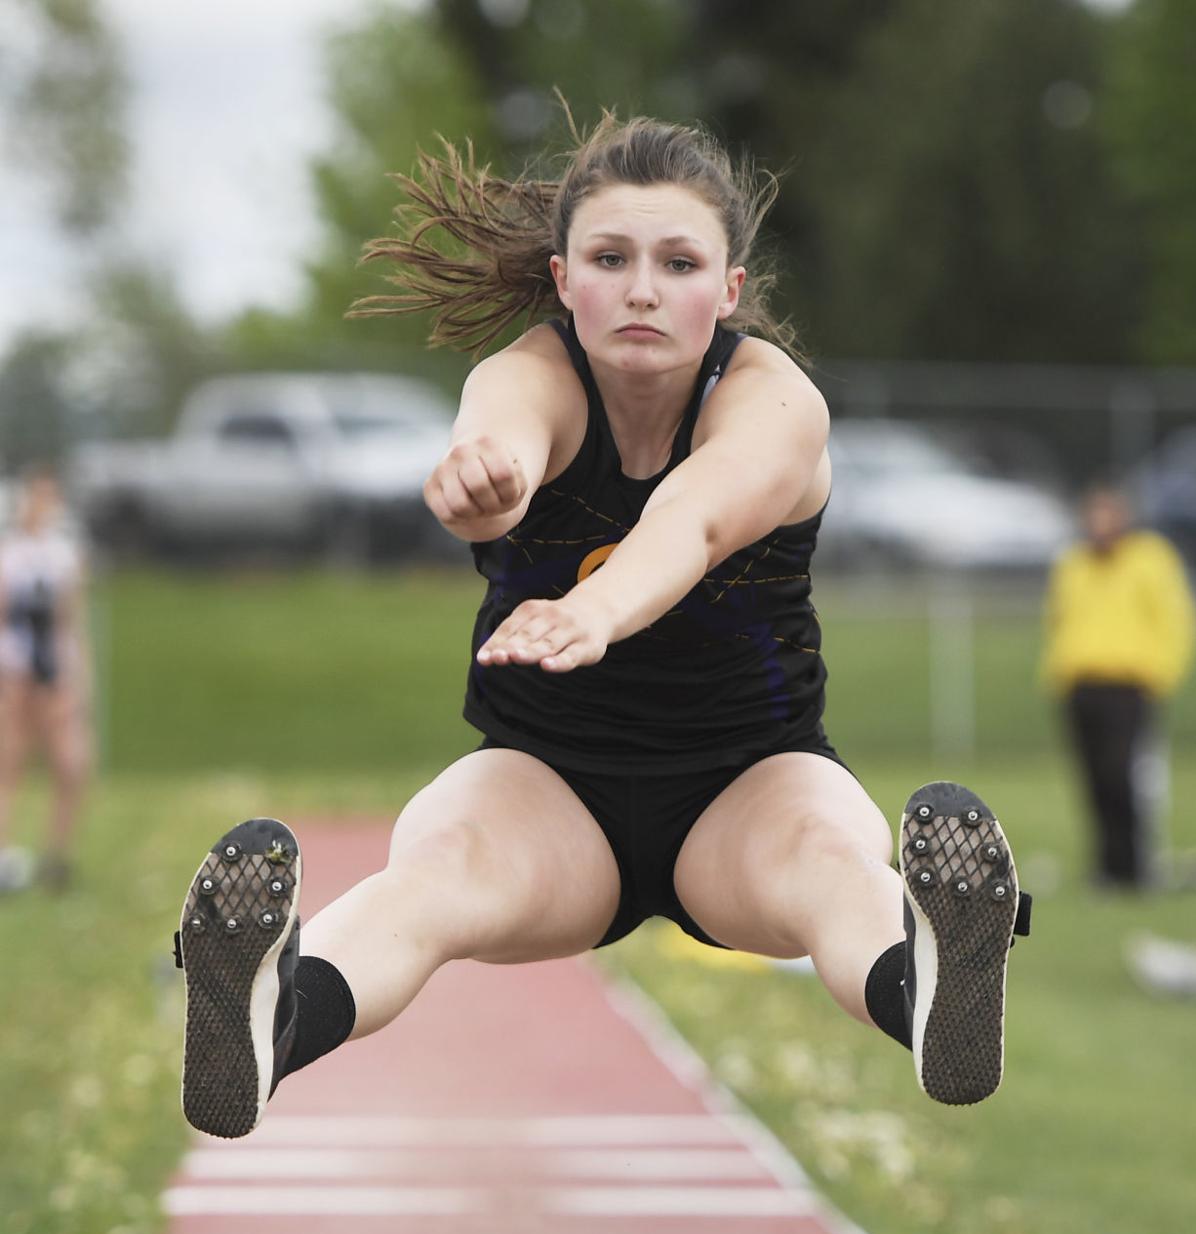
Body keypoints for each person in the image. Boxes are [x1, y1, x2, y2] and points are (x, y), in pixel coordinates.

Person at [174, 111, 1031, 1140]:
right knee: (435, 874)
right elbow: (503, 448)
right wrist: (483, 487)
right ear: (564, 276)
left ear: (729, 291)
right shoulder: (525, 375)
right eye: (611, 258)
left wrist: (592, 609)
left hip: (746, 780)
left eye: (678, 263)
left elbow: (695, 516)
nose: (641, 288)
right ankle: (267, 1013)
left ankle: (930, 986)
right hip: (549, 782)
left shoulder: (775, 403)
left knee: (829, 861)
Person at [1041, 481, 1196, 890]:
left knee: (1125, 776)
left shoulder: (1150, 560)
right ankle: (1107, 866)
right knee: (1093, 780)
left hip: (1129, 686)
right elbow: (1060, 621)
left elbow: (1175, 622)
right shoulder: (1073, 563)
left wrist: (1158, 674)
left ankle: (1136, 867)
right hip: (1082, 686)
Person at [0, 466, 94, 893]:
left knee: (70, 763)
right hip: (16, 668)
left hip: (55, 668)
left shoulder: (64, 554)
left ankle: (57, 856)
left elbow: (71, 619)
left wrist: (78, 675)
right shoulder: (11, 554)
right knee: (10, 760)